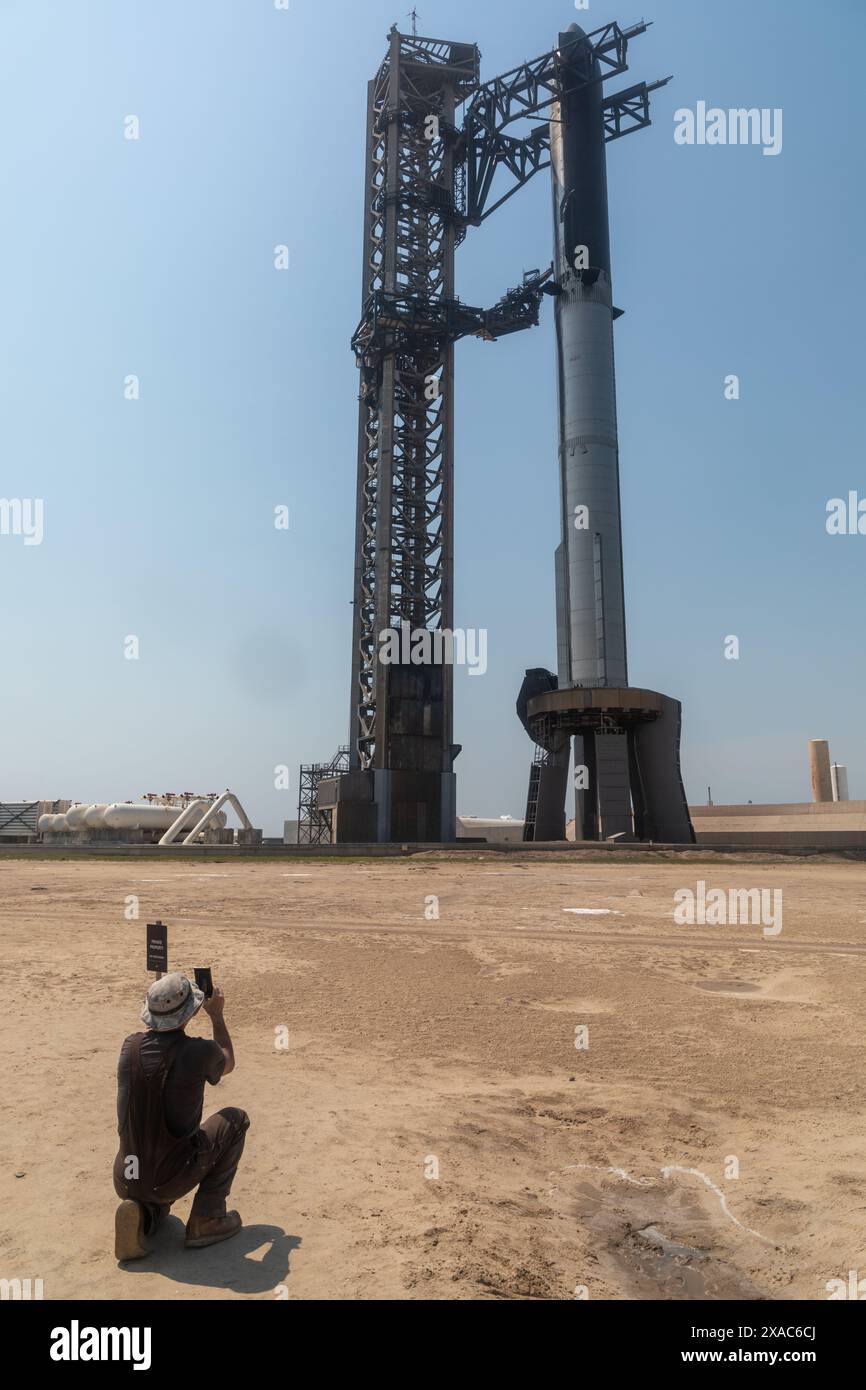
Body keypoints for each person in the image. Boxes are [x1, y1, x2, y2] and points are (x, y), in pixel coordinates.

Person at [113, 971, 250, 1261]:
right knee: (235, 1119)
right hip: (170, 1174)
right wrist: (216, 1016)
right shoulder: (198, 1052)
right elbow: (227, 1060)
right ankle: (207, 1218)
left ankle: (145, 1214)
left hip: (127, 1175)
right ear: (190, 1011)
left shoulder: (130, 1047)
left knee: (155, 1153)